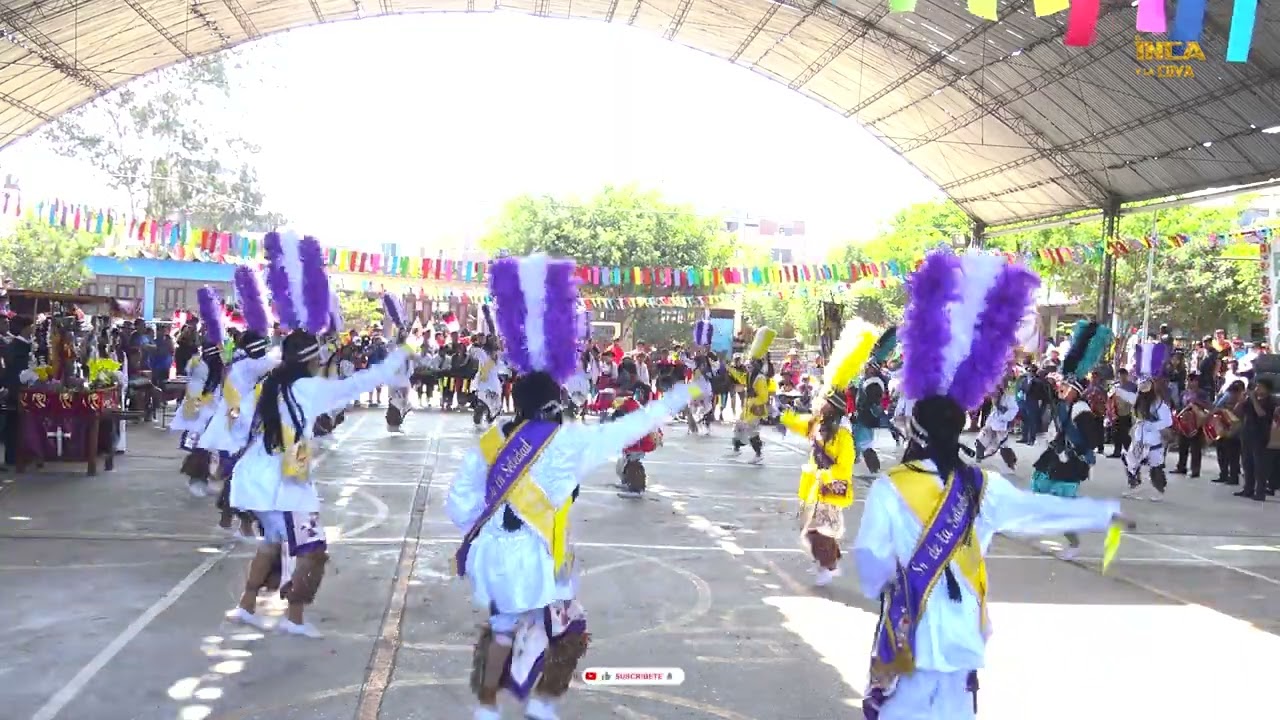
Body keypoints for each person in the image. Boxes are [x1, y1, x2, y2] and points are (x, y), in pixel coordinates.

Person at [853, 252, 1132, 720]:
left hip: (909, 638)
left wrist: (886, 583)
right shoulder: (982, 486)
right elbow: (1040, 511)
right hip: (963, 637)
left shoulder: (891, 488)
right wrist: (1102, 513)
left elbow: (870, 566)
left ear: (916, 431)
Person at [447, 254, 708, 720]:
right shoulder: (567, 443)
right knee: (566, 627)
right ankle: (543, 703)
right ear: (556, 404)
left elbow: (459, 503)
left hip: (492, 556)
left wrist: (487, 530)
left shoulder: (491, 441)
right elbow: (628, 429)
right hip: (541, 559)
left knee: (503, 629)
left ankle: (487, 707)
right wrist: (680, 395)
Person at [228, 231, 412, 637]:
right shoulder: (307, 388)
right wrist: (396, 358)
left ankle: (246, 604)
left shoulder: (273, 383)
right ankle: (293, 618)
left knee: (273, 541)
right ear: (312, 361)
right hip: (284, 481)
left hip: (257, 473)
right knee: (312, 549)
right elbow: (354, 385)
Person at [1031, 319, 1112, 559]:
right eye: (1061, 387)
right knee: (1039, 489)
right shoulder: (1061, 406)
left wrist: (1073, 448)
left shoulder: (1081, 410)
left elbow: (1092, 440)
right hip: (1055, 456)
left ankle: (1074, 543)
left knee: (1062, 506)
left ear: (1076, 390)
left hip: (1072, 461)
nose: (1062, 390)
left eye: (1067, 388)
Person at [171, 290, 226, 498]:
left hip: (213, 411)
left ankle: (206, 478)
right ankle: (197, 479)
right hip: (203, 412)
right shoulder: (202, 366)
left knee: (210, 450)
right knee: (201, 449)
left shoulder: (216, 365)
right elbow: (195, 392)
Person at [1119, 342, 1174, 501]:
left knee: (1156, 465)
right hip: (1139, 437)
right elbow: (1130, 398)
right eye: (1141, 385)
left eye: (1146, 385)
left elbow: (1168, 420)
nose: (1143, 388)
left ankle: (1159, 491)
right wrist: (1118, 391)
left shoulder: (1158, 403)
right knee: (1131, 462)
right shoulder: (1138, 399)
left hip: (1154, 439)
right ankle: (1135, 487)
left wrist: (1152, 426)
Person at [727, 328, 775, 465]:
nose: (748, 365)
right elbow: (741, 379)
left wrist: (753, 402)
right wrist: (730, 369)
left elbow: (764, 398)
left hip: (755, 409)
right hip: (748, 407)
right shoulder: (749, 376)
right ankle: (736, 449)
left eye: (751, 363)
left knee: (751, 430)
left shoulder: (759, 378)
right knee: (738, 426)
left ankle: (758, 453)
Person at [1235, 377, 1277, 501]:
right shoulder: (1250, 400)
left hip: (1261, 435)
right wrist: (1241, 400)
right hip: (1247, 434)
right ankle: (1248, 488)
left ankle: (1260, 491)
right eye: (1256, 386)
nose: (1257, 389)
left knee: (1259, 465)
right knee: (1247, 463)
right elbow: (1237, 411)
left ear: (1267, 389)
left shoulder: (1271, 401)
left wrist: (1253, 399)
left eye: (1260, 387)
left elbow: (1262, 414)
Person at [1172, 372, 1210, 478]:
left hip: (1196, 422)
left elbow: (1208, 405)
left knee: (1195, 447)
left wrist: (1196, 402)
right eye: (1188, 381)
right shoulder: (1183, 393)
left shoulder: (1202, 393)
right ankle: (1181, 466)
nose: (1189, 383)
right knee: (1182, 445)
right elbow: (1179, 405)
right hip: (1184, 421)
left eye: (1192, 381)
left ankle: (1195, 469)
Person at [1210, 380, 1245, 486]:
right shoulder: (1226, 397)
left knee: (1233, 455)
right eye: (1234, 391)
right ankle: (1224, 474)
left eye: (1237, 391)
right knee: (1222, 453)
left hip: (1236, 432)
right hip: (1224, 428)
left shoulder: (1243, 402)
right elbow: (1215, 408)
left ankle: (1233, 477)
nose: (1235, 394)